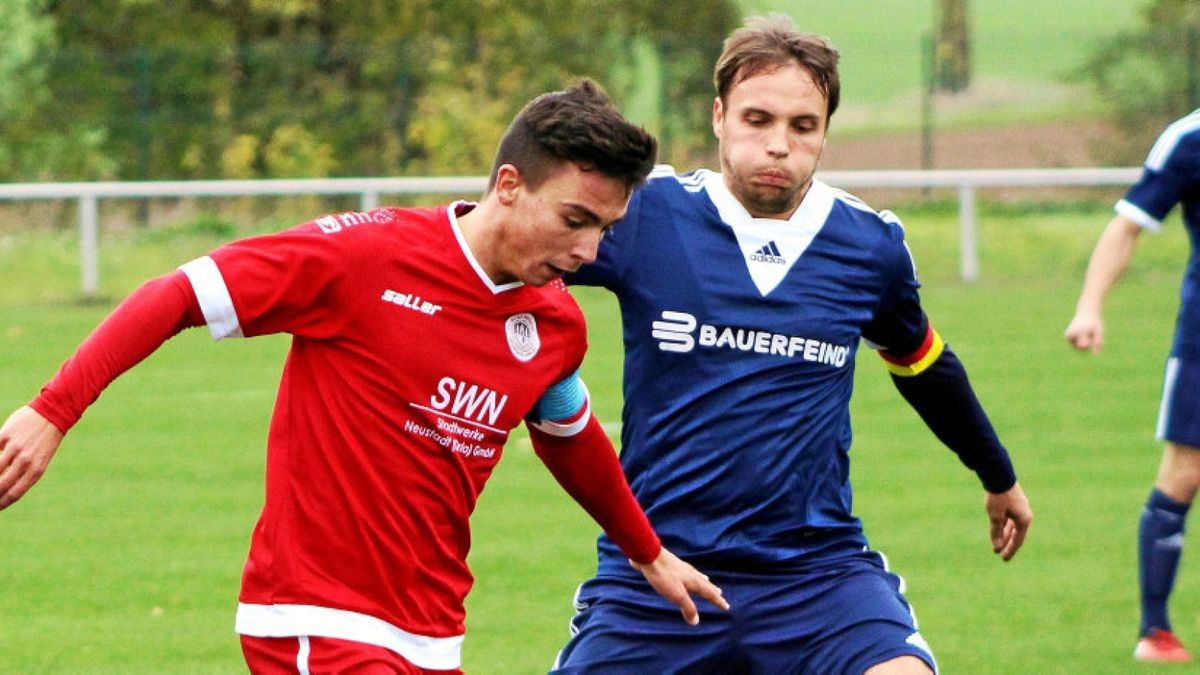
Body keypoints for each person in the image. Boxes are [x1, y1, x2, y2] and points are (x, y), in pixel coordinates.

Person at [0, 79, 727, 674]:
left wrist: (647, 550)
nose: (587, 247)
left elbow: (568, 436)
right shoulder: (365, 258)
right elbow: (179, 294)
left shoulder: (555, 325)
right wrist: (51, 410)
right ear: (509, 184)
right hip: (315, 619)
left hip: (430, 632)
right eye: (574, 218)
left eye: (604, 228)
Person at [551, 15, 1033, 675]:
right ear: (719, 117)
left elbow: (923, 365)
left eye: (802, 126)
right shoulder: (644, 216)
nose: (779, 144)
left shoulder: (869, 246)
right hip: (658, 571)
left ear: (825, 134)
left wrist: (997, 473)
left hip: (816, 575)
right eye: (758, 119)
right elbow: (512, 253)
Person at [1065, 108, 1200, 664]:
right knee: (1185, 471)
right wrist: (1089, 306)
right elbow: (1128, 224)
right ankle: (1155, 629)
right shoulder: (1190, 139)